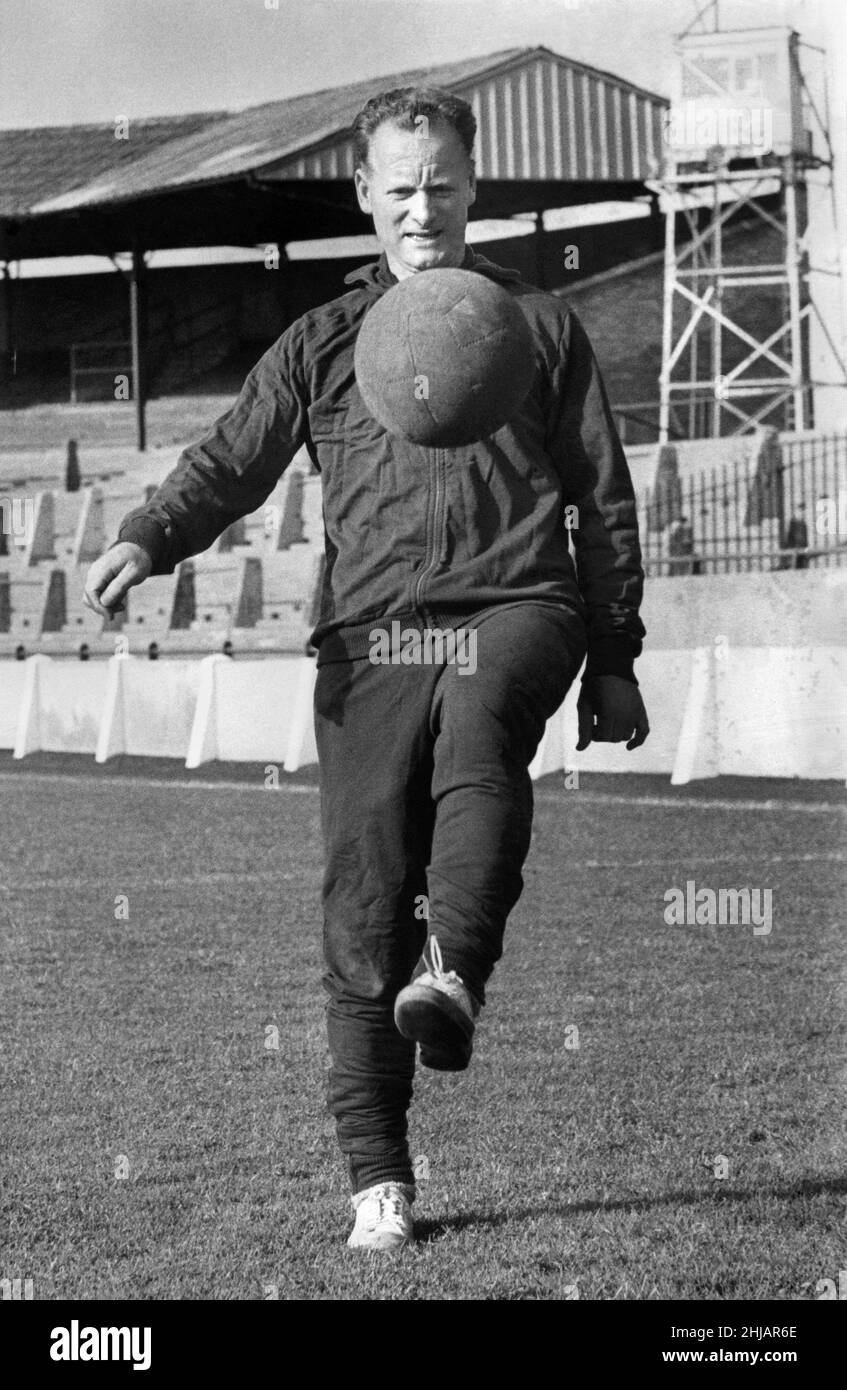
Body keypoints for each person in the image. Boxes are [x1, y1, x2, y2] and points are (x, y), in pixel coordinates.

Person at [84, 86, 649, 1253]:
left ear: (471, 183)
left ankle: (454, 973)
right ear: (365, 196)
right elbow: (231, 460)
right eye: (400, 187)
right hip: (373, 632)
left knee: (482, 719)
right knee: (362, 888)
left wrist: (614, 654)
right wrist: (148, 534)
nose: (422, 207)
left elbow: (602, 494)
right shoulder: (323, 341)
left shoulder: (537, 325)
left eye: (441, 182)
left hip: (515, 602)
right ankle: (379, 1182)